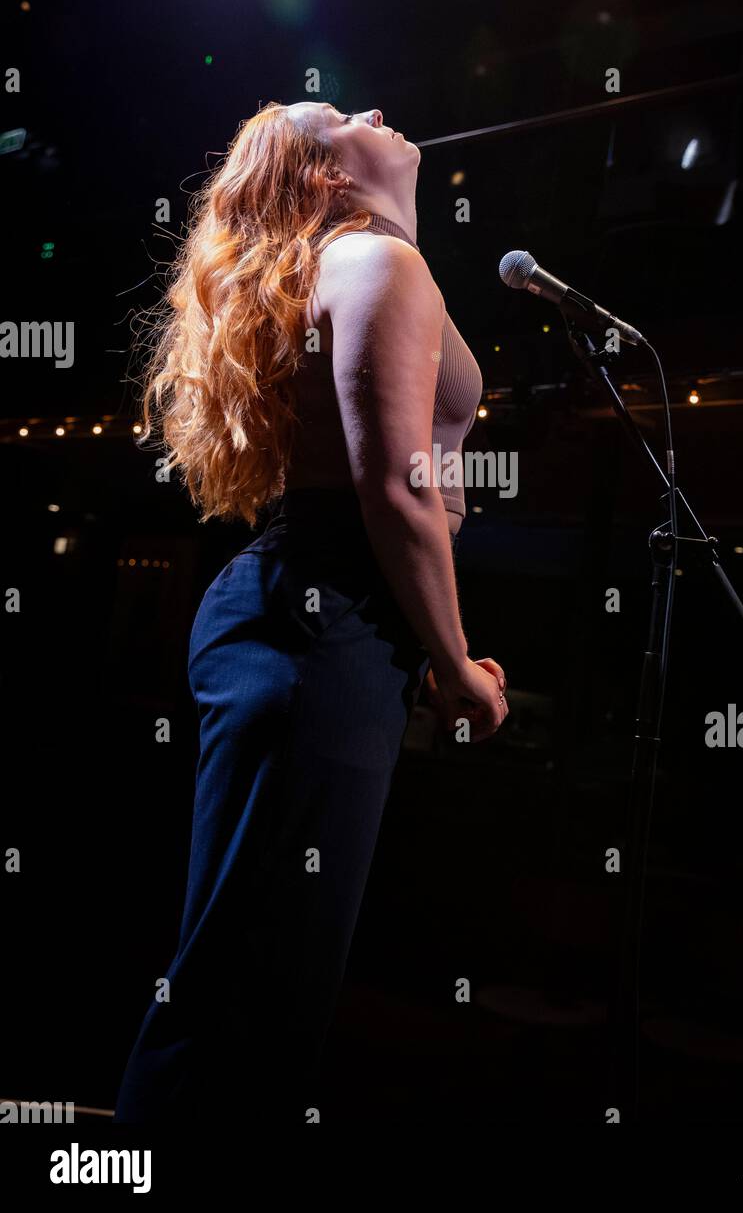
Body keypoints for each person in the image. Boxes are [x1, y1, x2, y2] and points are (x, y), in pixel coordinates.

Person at [113, 99, 508, 1122]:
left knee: (267, 968)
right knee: (253, 973)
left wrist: (418, 642)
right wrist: (456, 660)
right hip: (315, 614)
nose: (376, 110)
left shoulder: (365, 262)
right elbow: (399, 488)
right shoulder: (376, 265)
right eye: (342, 115)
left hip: (322, 609)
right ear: (327, 177)